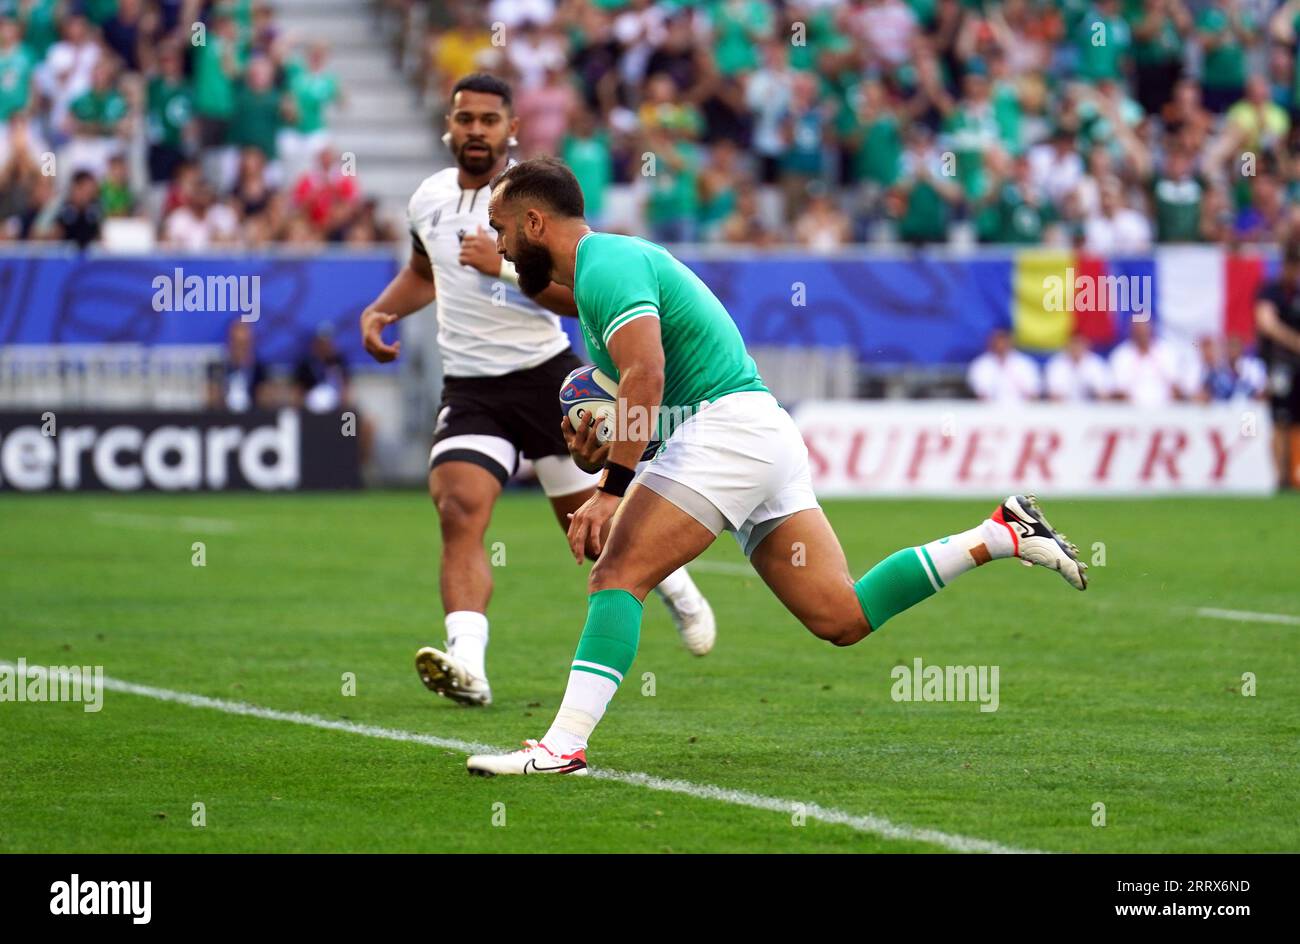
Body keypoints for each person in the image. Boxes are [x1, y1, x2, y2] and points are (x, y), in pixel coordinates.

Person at [466, 157, 1086, 776]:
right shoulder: (602, 274)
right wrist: (604, 444)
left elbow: (646, 375)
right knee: (841, 617)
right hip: (757, 432)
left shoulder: (609, 264)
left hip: (729, 433)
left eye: (501, 229)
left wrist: (609, 488)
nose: (500, 243)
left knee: (618, 575)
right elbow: (645, 382)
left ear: (536, 221)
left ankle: (562, 747)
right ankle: (999, 534)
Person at [358, 74, 715, 709]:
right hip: (470, 385)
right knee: (458, 508)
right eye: (464, 118)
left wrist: (501, 266)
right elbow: (423, 272)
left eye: (488, 120)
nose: (475, 130)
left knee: (594, 530)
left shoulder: (532, 200)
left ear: (510, 128)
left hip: (546, 377)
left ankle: (677, 587)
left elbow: (579, 298)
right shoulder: (428, 200)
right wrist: (382, 312)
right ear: (449, 123)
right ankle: (468, 664)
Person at [1255, 245, 1300, 488]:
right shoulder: (1271, 291)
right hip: (1280, 365)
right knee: (1280, 420)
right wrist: (1295, 342)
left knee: (1296, 422)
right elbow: (1266, 323)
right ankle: (1281, 478)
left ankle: (1295, 475)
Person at [967, 329, 1043, 402]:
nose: (1001, 345)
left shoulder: (1025, 363)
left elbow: (1033, 393)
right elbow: (981, 394)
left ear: (1010, 342)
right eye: (998, 341)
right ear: (991, 342)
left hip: (1022, 409)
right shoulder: (981, 364)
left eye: (1003, 341)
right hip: (990, 409)